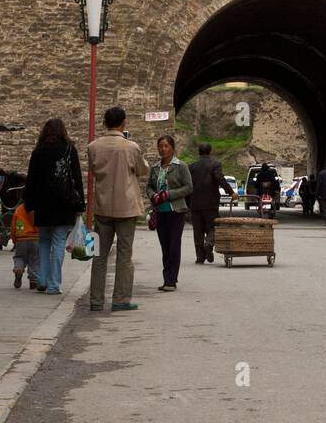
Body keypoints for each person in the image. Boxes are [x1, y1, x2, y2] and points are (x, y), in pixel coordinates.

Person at [87, 106, 149, 312]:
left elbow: (94, 171)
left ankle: (96, 299)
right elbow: (142, 170)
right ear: (124, 123)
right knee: (124, 254)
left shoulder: (93, 147)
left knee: (99, 254)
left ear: (105, 123)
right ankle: (120, 298)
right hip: (126, 208)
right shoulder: (131, 147)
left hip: (102, 207)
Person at [24, 118, 85, 296]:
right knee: (58, 242)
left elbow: (31, 180)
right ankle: (53, 284)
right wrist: (80, 204)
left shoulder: (38, 152)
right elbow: (77, 178)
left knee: (43, 241)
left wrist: (29, 204)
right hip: (64, 203)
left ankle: (41, 280)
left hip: (43, 204)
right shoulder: (69, 149)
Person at [147, 135, 193, 291]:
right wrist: (153, 195)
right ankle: (167, 278)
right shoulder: (154, 168)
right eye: (160, 146)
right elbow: (149, 187)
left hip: (175, 211)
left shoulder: (181, 166)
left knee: (174, 245)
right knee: (165, 246)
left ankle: (171, 281)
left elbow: (188, 187)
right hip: (160, 211)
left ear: (172, 148)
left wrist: (169, 194)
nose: (163, 149)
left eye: (166, 146)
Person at [188, 142, 229, 264]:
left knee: (198, 231)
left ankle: (200, 257)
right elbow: (220, 179)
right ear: (210, 151)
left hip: (195, 203)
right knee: (214, 227)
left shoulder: (191, 166)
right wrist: (231, 192)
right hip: (211, 203)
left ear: (199, 152)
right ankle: (209, 243)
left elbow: (187, 184)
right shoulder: (215, 164)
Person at [10, 198, 40, 289]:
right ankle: (33, 280)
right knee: (34, 259)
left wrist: (14, 238)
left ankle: (19, 269)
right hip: (36, 238)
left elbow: (13, 226)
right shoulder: (38, 208)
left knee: (19, 257)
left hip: (21, 238)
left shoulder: (19, 209)